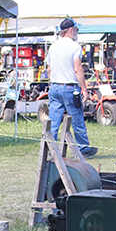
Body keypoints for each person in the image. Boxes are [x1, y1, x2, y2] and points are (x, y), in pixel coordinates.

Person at [46, 17, 96, 157]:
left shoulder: (53, 46)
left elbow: (49, 69)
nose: (77, 32)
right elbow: (77, 69)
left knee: (54, 120)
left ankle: (50, 148)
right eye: (76, 29)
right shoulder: (75, 47)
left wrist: (53, 82)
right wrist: (84, 89)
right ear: (71, 30)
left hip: (55, 86)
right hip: (69, 87)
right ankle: (83, 148)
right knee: (77, 119)